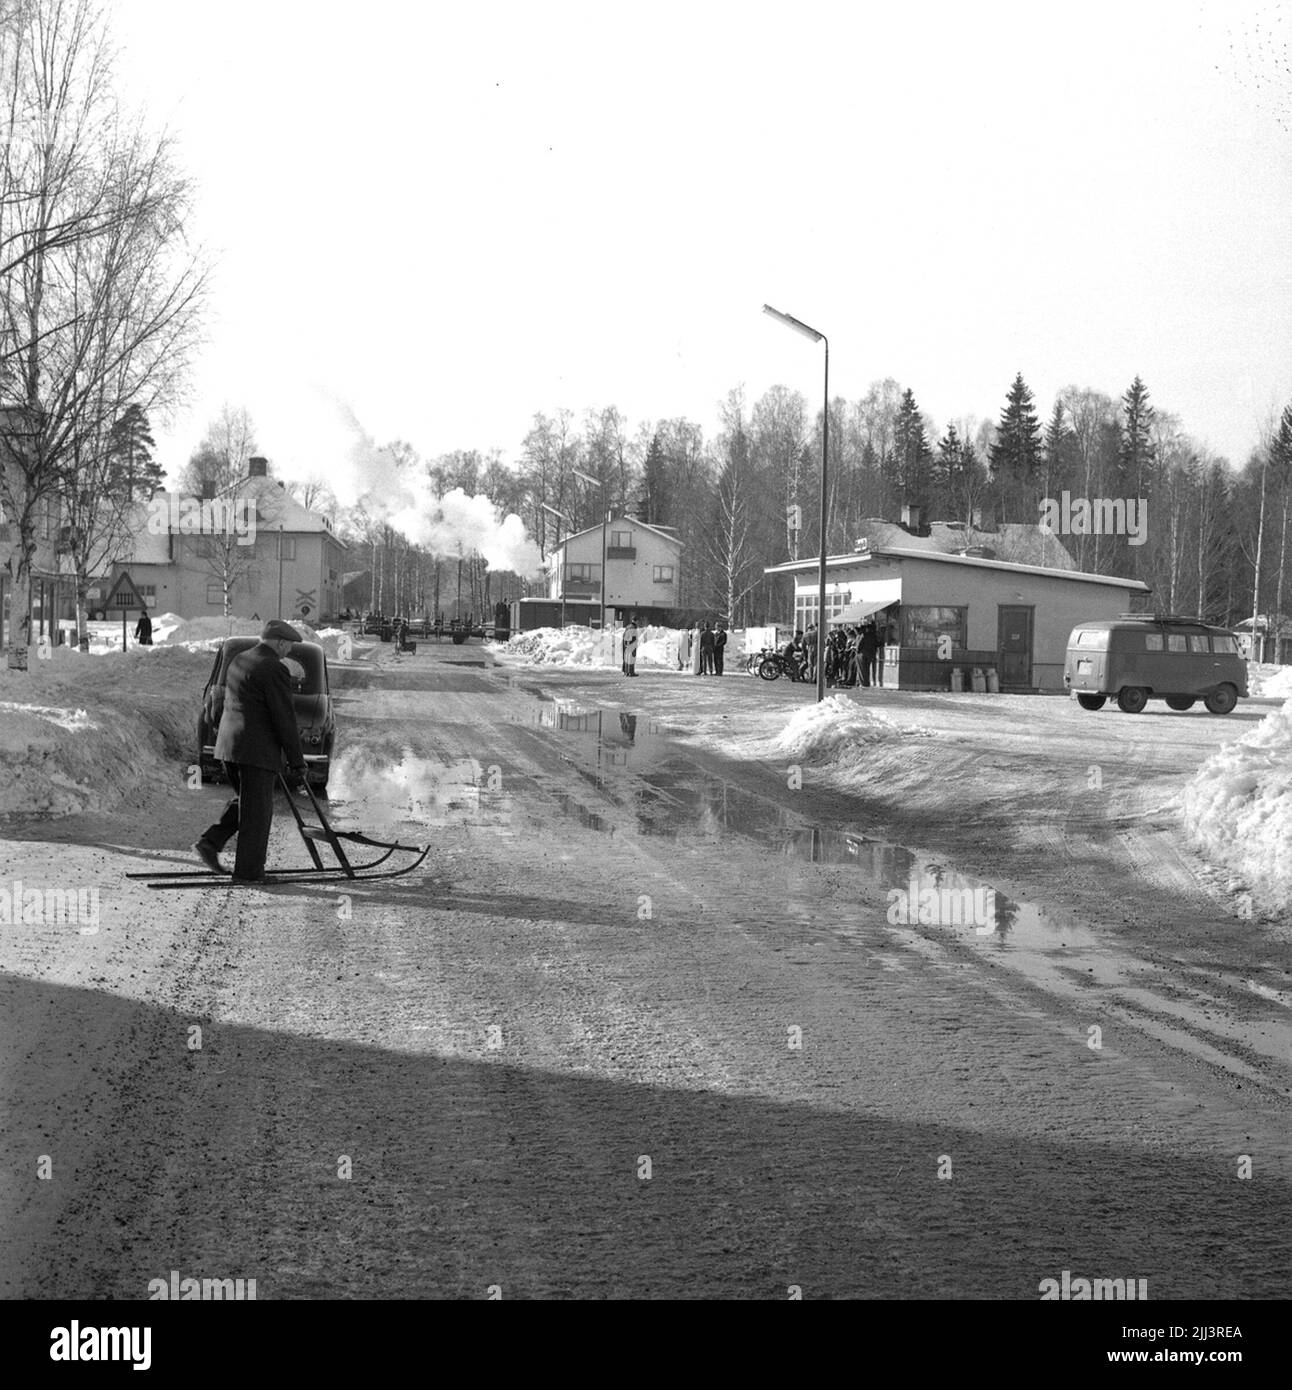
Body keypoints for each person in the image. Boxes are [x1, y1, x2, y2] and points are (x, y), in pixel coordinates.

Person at [193, 619, 310, 884]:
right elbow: (284, 717)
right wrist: (297, 760)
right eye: (288, 645)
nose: (288, 651)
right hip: (256, 751)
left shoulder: (239, 660)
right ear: (279, 642)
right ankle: (249, 873)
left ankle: (210, 842)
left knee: (248, 802)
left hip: (229, 747)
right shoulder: (274, 669)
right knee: (257, 813)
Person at [859, 620, 879, 688]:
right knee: (867, 669)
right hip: (871, 654)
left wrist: (858, 651)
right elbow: (877, 644)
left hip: (864, 654)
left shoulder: (864, 635)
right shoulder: (874, 636)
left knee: (863, 669)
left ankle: (864, 683)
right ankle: (867, 682)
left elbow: (859, 645)